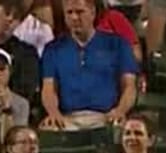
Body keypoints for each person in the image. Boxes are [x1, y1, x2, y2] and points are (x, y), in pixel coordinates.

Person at [38, 0, 137, 131]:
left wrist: (120, 111)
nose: (74, 17)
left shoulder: (118, 44)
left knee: (124, 129)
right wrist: (54, 113)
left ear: (92, 12)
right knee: (48, 129)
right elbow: (49, 88)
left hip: (106, 116)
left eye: (79, 12)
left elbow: (129, 86)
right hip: (68, 118)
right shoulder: (53, 49)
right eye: (69, 13)